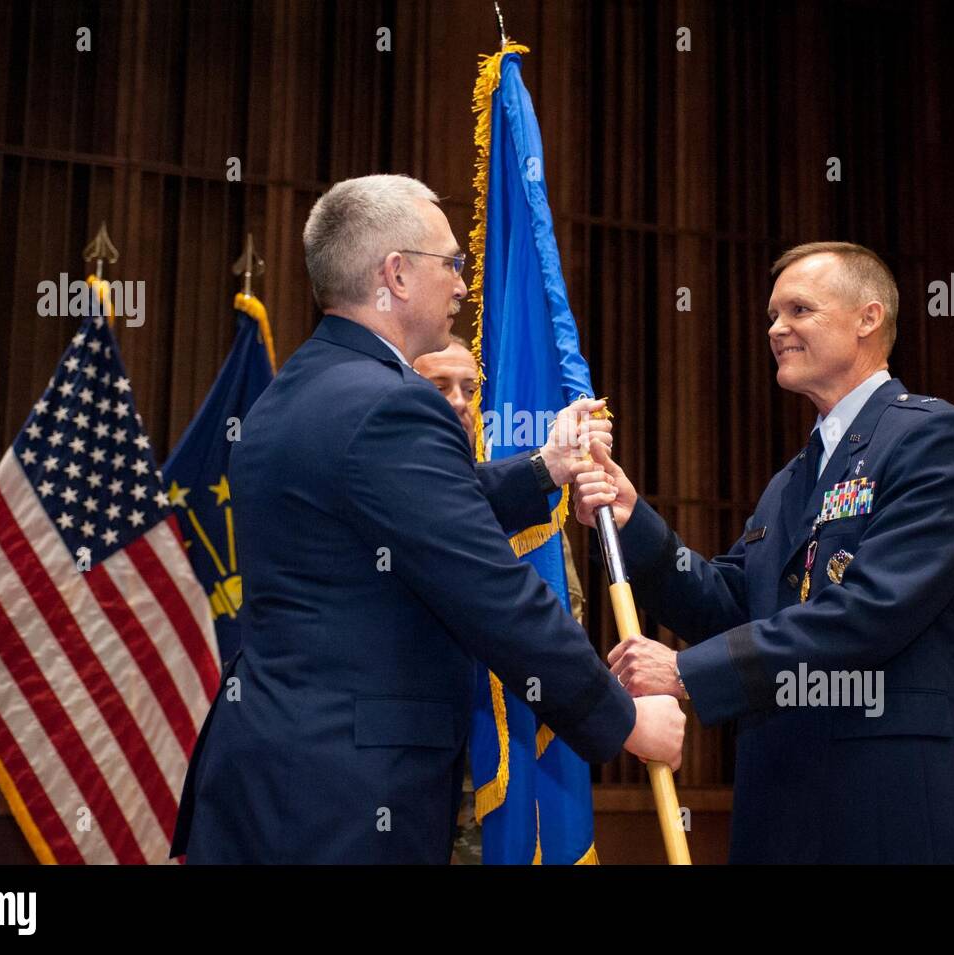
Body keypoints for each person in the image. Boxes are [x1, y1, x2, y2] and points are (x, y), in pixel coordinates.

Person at [170, 174, 684, 864]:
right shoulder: (390, 405)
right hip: (347, 798)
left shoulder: (298, 388)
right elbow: (492, 593)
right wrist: (625, 719)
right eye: (453, 264)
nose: (465, 287)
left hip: (274, 772)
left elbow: (419, 510)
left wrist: (544, 470)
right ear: (397, 274)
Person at [574, 242, 954, 863]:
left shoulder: (932, 438)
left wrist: (687, 673)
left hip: (886, 797)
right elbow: (732, 603)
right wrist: (635, 520)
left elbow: (872, 611)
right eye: (773, 315)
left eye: (799, 310)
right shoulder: (796, 476)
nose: (776, 329)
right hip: (783, 804)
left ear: (868, 318)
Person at [413, 336, 590, 864]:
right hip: (411, 760)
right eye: (438, 387)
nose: (460, 403)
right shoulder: (387, 490)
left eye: (469, 389)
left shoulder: (529, 511)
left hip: (506, 751)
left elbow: (564, 617)